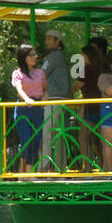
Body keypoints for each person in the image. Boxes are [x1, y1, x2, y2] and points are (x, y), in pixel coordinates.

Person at [11, 44, 47, 173]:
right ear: (24, 57)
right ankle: (23, 172)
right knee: (26, 140)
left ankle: (29, 172)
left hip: (37, 107)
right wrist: (27, 99)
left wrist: (44, 100)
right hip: (23, 107)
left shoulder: (40, 72)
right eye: (31, 55)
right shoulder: (17, 73)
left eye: (35, 54)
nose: (35, 57)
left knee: (36, 139)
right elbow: (19, 88)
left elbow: (44, 89)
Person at [41, 30, 71, 172]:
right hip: (62, 98)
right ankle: (60, 168)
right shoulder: (60, 56)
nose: (46, 41)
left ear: (57, 40)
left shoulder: (53, 57)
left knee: (47, 133)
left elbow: (42, 75)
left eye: (49, 39)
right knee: (59, 135)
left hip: (54, 99)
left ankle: (44, 166)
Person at [74, 39, 103, 171]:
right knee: (102, 140)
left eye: (82, 55)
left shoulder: (85, 69)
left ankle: (87, 167)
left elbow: (76, 87)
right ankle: (105, 166)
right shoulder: (101, 68)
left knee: (84, 138)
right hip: (102, 107)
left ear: (87, 56)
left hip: (90, 107)